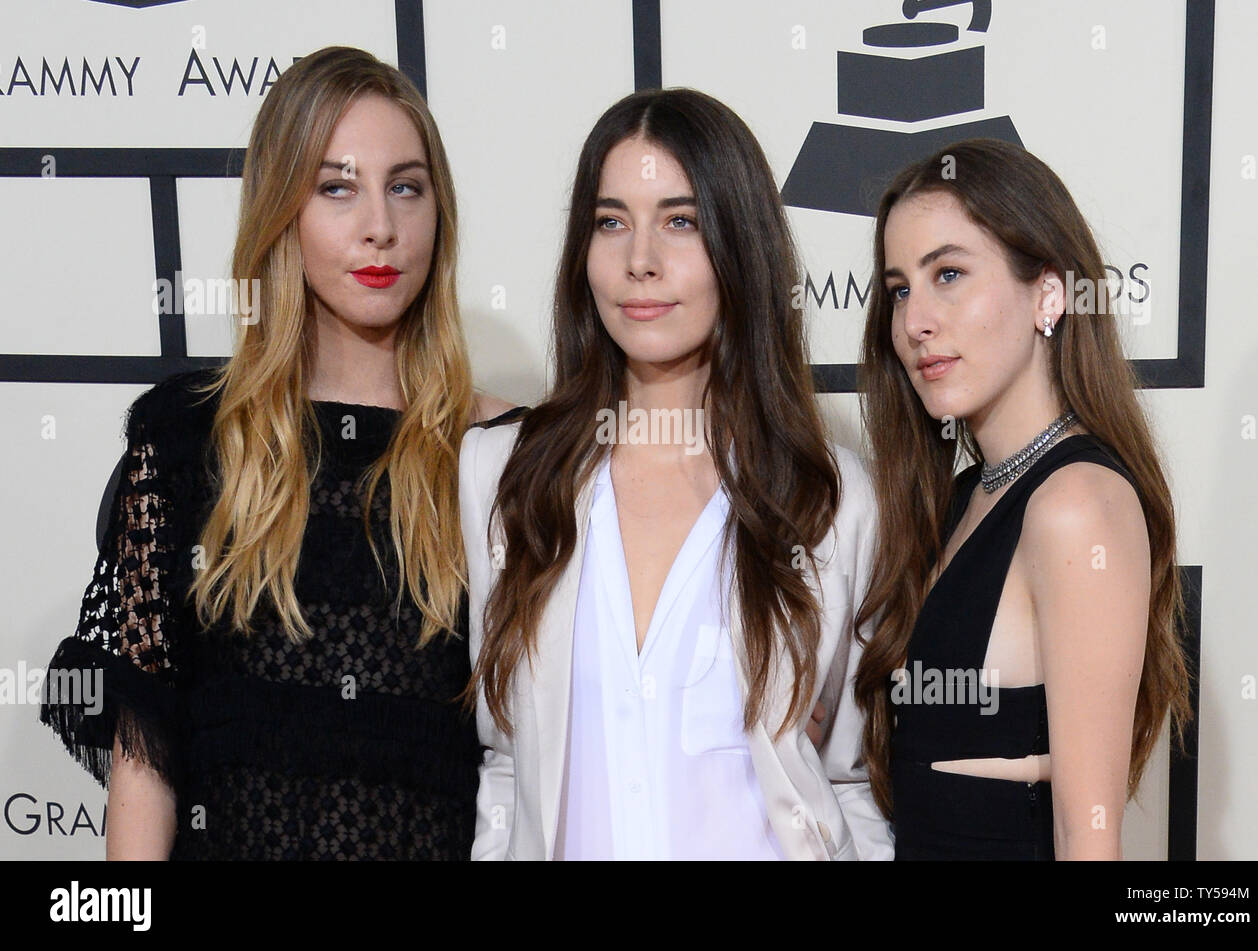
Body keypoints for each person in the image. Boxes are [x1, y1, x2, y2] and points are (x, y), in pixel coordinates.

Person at [39, 46, 513, 860]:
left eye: (407, 186)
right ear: (281, 212)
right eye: (337, 187)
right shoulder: (187, 438)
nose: (381, 225)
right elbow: (143, 758)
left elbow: (535, 762)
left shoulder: (504, 452)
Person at [459, 87, 893, 860]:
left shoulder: (829, 498)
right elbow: (505, 758)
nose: (640, 261)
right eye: (611, 221)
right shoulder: (506, 475)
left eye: (680, 222)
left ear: (740, 246)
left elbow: (846, 778)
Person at [852, 138, 1192, 859]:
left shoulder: (1078, 505)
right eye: (900, 288)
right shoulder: (959, 497)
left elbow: (1087, 837)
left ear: (1048, 293)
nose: (915, 322)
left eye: (948, 273)